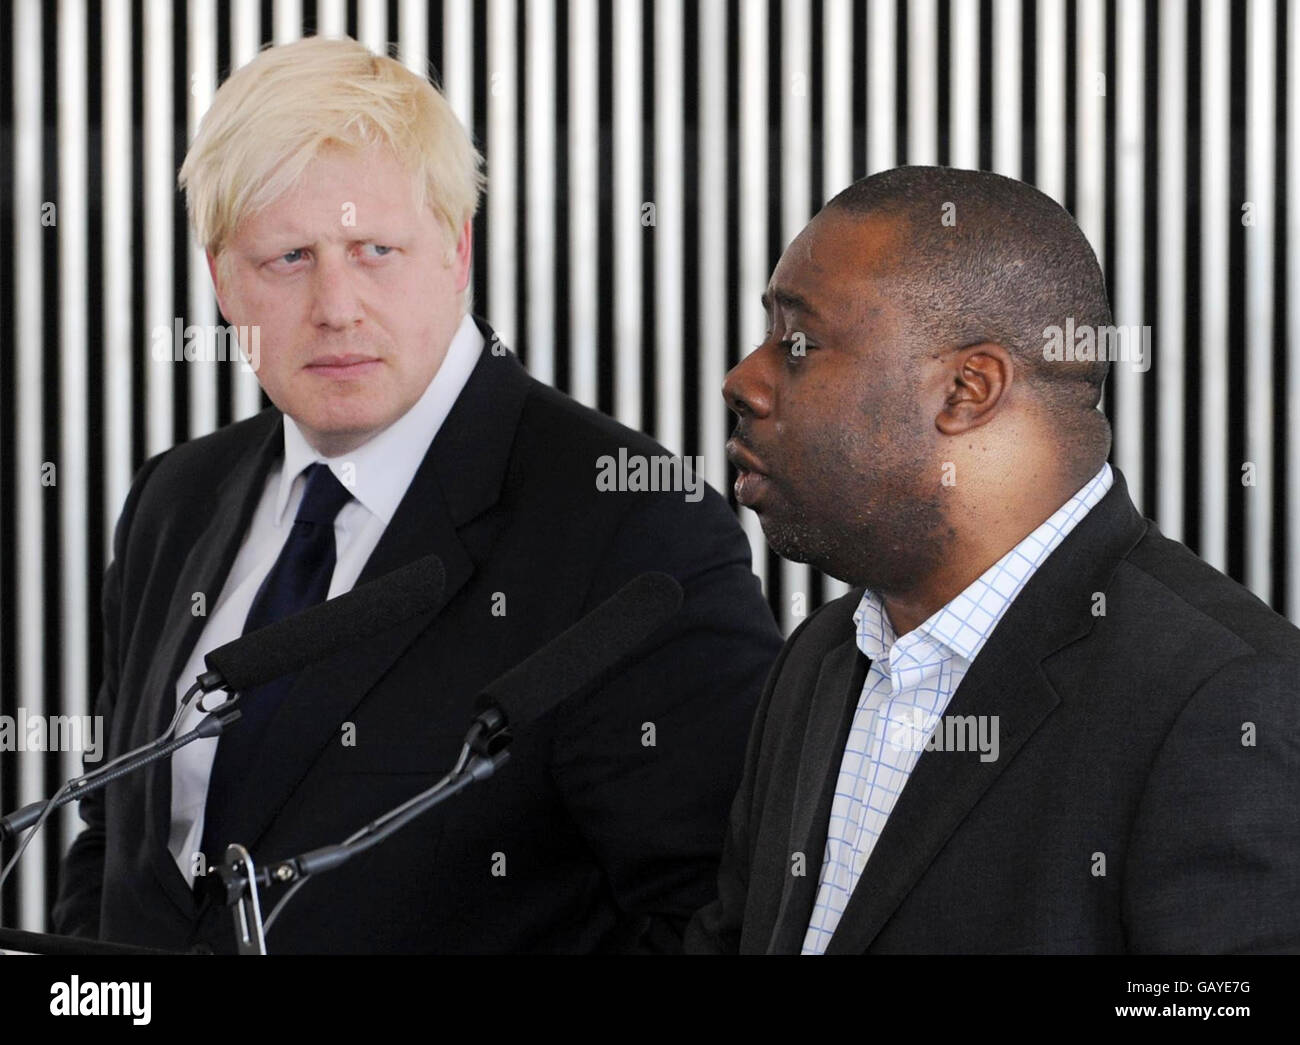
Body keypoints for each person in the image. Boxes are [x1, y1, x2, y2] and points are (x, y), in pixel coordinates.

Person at [52, 35, 782, 954]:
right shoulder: (176, 497)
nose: (337, 305)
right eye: (288, 258)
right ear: (220, 280)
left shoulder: (634, 524)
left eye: (375, 249)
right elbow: (120, 836)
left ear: (458, 249)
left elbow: (714, 920)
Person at [686, 165, 1300, 955]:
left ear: (969, 388)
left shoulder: (1225, 700)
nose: (746, 379)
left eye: (798, 342)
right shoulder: (821, 656)